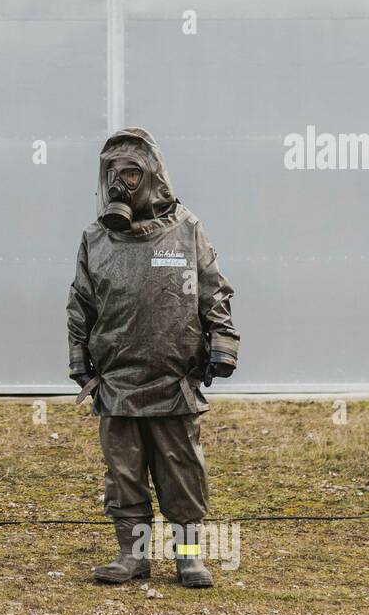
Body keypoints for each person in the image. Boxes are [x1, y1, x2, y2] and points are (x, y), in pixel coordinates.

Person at [66, 128, 239, 588]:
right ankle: (133, 554)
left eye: (131, 173)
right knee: (124, 475)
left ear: (152, 176)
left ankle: (188, 557)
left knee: (181, 472)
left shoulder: (187, 231)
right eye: (113, 174)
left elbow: (214, 293)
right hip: (118, 383)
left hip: (173, 380)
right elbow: (80, 303)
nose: (121, 184)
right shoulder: (95, 239)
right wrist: (79, 361)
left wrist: (222, 348)